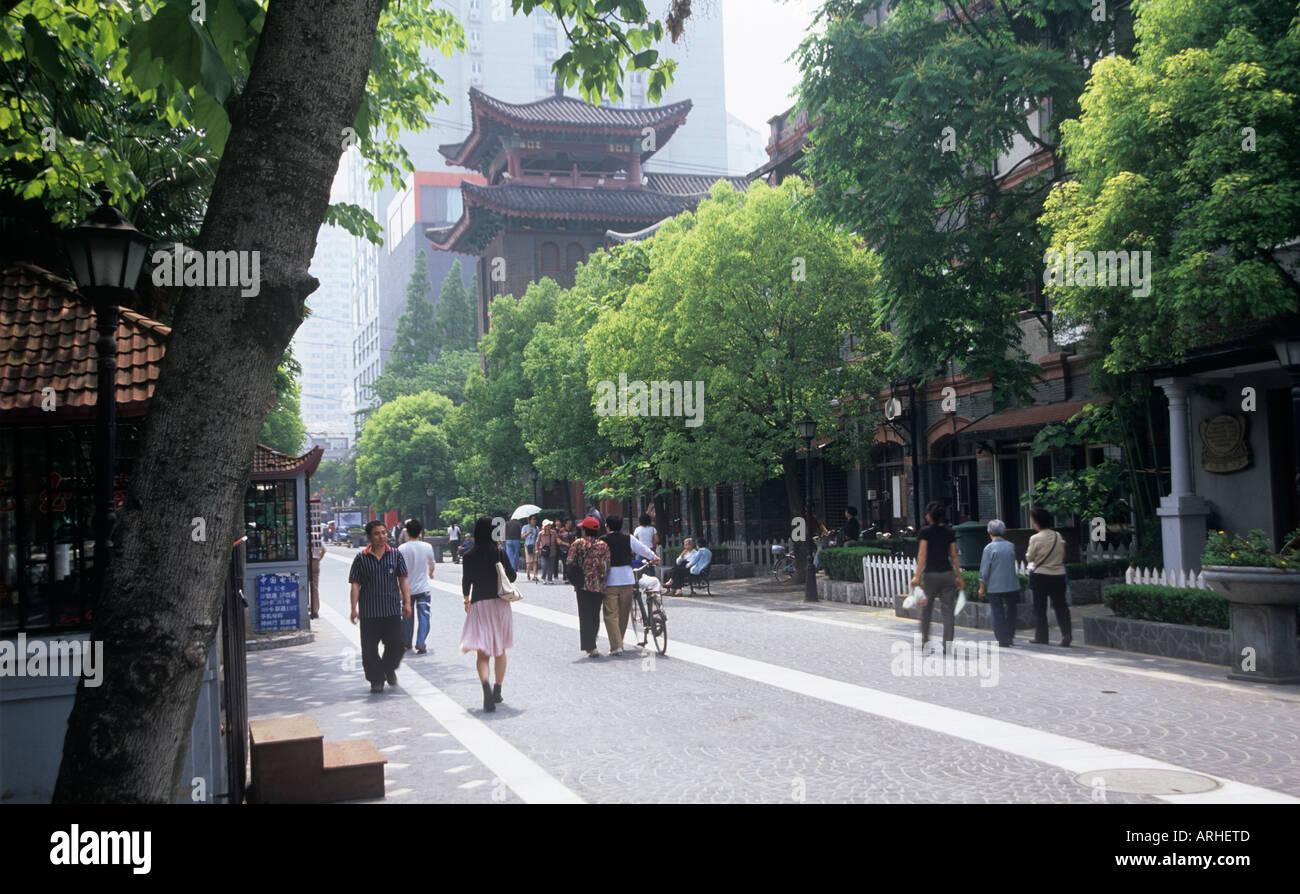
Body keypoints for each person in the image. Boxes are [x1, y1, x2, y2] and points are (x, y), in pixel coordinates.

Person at [460, 516, 516, 712]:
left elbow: (466, 580)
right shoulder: (499, 552)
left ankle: (485, 685)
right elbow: (513, 575)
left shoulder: (468, 555)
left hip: (479, 604)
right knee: (500, 650)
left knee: (482, 654)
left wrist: (466, 599)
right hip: (500, 603)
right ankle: (497, 690)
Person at [349, 520, 412, 694]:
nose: (381, 536)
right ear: (369, 537)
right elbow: (355, 584)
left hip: (391, 610)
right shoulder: (361, 558)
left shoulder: (396, 555)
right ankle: (376, 680)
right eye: (377, 533)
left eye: (384, 532)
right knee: (369, 650)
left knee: (397, 645)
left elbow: (403, 580)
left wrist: (407, 603)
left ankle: (388, 668)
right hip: (370, 612)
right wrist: (353, 608)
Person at [601, 515, 659, 655]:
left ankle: (616, 646)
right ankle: (619, 641)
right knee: (623, 613)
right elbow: (643, 549)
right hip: (627, 580)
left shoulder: (603, 540)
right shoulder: (629, 538)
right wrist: (654, 557)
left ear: (607, 525)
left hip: (611, 581)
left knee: (611, 614)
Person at [910, 502, 962, 655]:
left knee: (925, 610)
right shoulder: (949, 532)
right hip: (947, 574)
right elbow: (953, 555)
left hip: (931, 575)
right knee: (948, 611)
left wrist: (917, 576)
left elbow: (922, 555)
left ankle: (926, 643)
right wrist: (959, 576)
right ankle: (948, 646)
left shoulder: (925, 532)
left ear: (929, 516)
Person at [1025, 506, 1071, 646]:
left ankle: (1042, 636)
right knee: (1061, 606)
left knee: (1040, 607)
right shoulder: (1058, 536)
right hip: (1058, 575)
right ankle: (1066, 635)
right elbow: (1062, 555)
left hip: (1041, 576)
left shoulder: (1035, 538)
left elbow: (1029, 557)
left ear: (1037, 522)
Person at [567, 517, 610, 657]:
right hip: (599, 584)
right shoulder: (603, 545)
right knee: (595, 614)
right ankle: (592, 643)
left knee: (585, 615)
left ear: (584, 530)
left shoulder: (578, 543)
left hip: (583, 585)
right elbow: (607, 565)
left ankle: (591, 646)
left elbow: (570, 562)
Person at [978, 519, 1020, 648]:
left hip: (995, 586)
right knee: (1011, 611)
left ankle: (1002, 638)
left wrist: (981, 587)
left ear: (989, 531)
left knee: (998, 612)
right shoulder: (1010, 545)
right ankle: (1010, 635)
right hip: (1012, 584)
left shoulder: (988, 548)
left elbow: (984, 570)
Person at [398, 519, 437, 654]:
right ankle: (421, 642)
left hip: (407, 589)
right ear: (421, 532)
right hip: (423, 588)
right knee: (424, 616)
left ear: (407, 532)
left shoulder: (401, 549)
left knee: (407, 616)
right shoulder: (427, 546)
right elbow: (432, 563)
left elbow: (398, 571)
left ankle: (407, 642)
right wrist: (431, 573)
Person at [309, 522, 325, 620]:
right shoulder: (317, 539)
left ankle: (307, 606)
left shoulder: (305, 537)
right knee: (314, 587)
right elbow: (324, 550)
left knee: (303, 585)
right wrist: (319, 559)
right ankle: (315, 610)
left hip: (306, 562)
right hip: (315, 562)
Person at [537, 519, 560, 584]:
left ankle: (550, 579)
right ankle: (543, 577)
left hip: (552, 550)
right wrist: (536, 550)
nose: (549, 527)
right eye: (547, 525)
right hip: (544, 551)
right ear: (544, 526)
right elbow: (537, 542)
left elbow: (557, 539)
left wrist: (560, 542)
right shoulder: (540, 533)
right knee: (544, 565)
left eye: (549, 525)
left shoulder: (553, 532)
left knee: (551, 565)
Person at [521, 514, 539, 582]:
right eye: (533, 519)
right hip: (528, 545)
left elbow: (538, 536)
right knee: (529, 561)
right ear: (530, 520)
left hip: (535, 545)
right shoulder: (525, 527)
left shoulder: (536, 528)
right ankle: (528, 572)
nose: (534, 520)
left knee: (535, 561)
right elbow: (522, 536)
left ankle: (534, 575)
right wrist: (528, 532)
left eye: (535, 519)